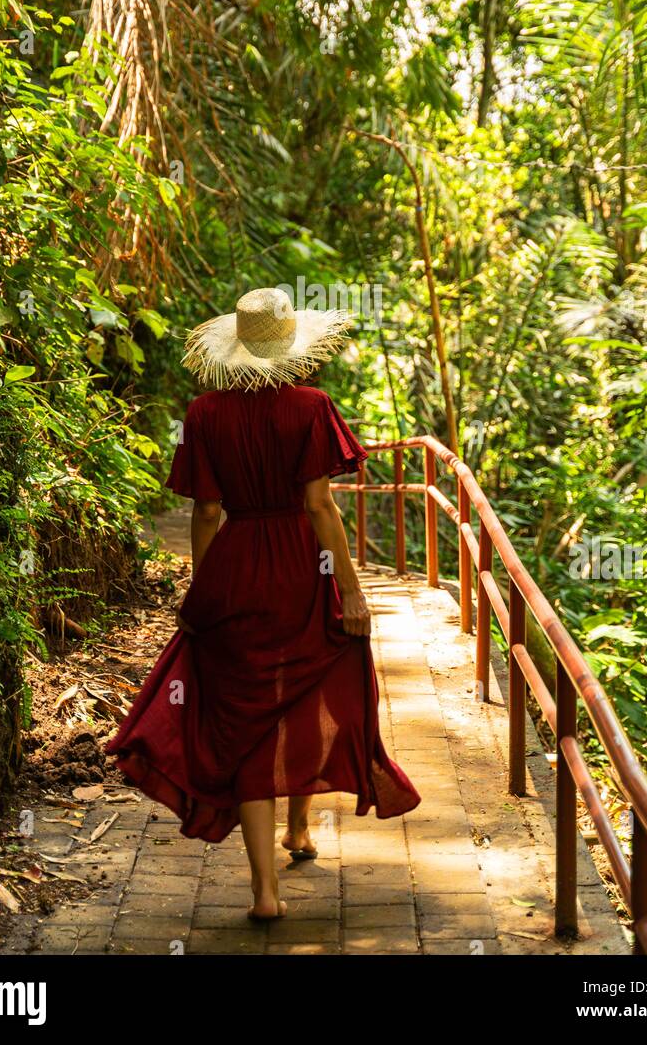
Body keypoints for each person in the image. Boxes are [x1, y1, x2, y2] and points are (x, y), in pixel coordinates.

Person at [106, 287, 421, 922]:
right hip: (305, 568)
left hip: (236, 567)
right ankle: (299, 829)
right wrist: (353, 591)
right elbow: (319, 507)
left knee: (245, 714)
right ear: (293, 347)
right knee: (307, 686)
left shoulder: (204, 413)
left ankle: (264, 892)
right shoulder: (310, 406)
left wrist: (204, 587)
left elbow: (207, 512)